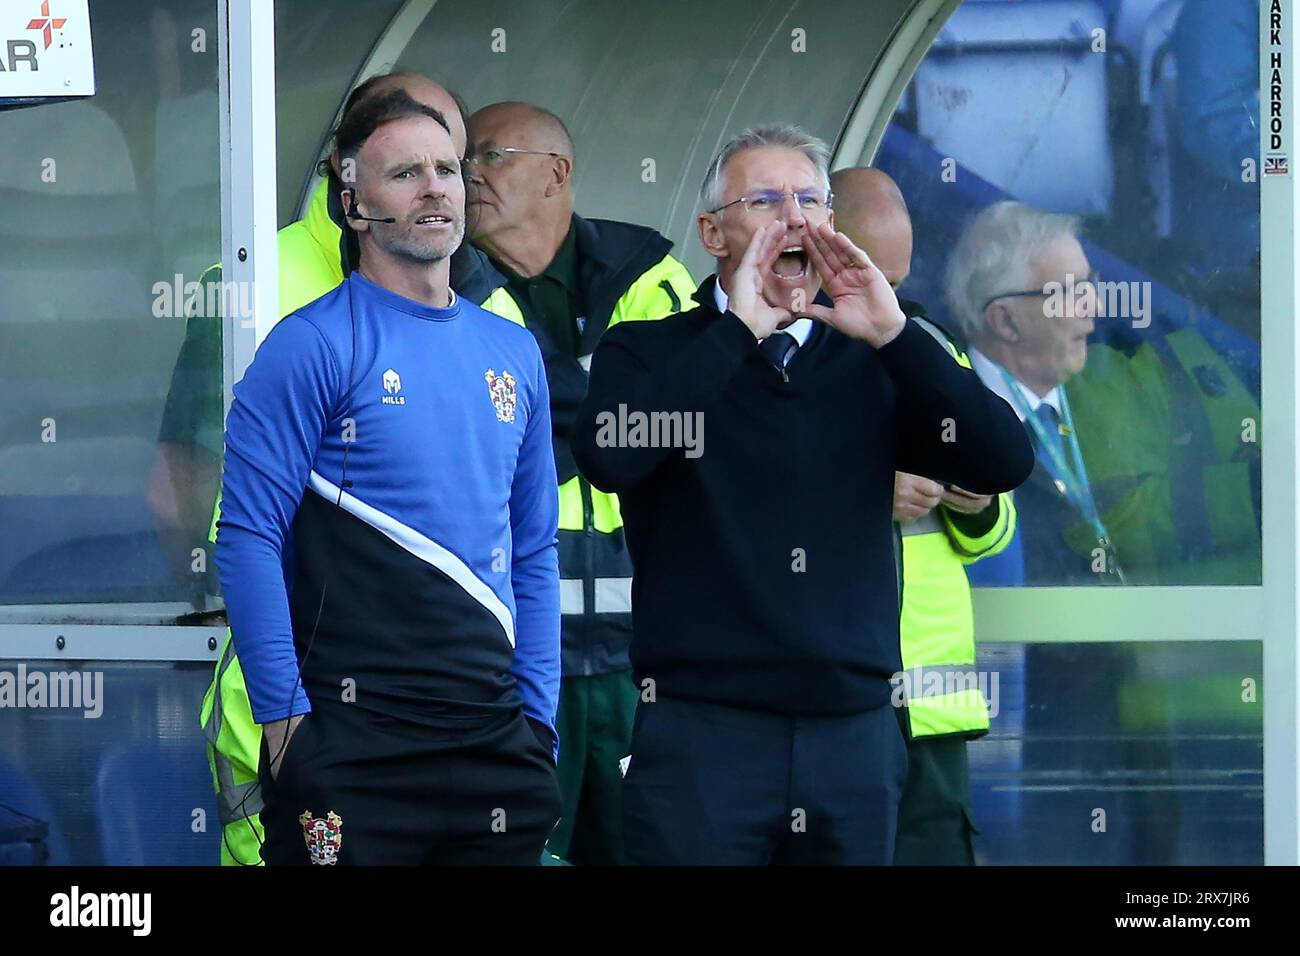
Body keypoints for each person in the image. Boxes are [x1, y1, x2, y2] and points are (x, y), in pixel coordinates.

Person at [572, 125, 1034, 865]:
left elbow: (1003, 458)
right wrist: (742, 333)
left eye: (810, 199)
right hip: (703, 737)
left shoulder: (878, 355)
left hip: (851, 737)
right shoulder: (652, 350)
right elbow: (612, 456)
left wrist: (894, 334)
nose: (793, 217)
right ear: (713, 232)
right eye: (765, 199)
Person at [182, 73, 537, 866]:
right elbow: (245, 536)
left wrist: (538, 718)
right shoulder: (308, 341)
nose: (434, 189)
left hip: (489, 742)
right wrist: (284, 724)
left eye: (446, 169)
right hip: (350, 742)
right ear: (355, 201)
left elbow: (533, 548)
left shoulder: (511, 343)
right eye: (404, 173)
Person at [464, 101, 696, 864]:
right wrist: (597, 402)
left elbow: (679, 425)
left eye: (490, 156)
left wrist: (565, 405)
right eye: (463, 158)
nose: (469, 174)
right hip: (512, 664)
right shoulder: (446, 281)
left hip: (646, 664)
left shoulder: (652, 276)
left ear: (555, 173)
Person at [832, 167, 1017, 865]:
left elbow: (994, 535)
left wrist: (978, 498)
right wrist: (867, 494)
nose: (889, 299)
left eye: (899, 280)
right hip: (832, 701)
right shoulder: (777, 349)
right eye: (873, 274)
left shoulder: (931, 346)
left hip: (930, 709)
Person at [946, 200, 1260, 586]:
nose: (1094, 305)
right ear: (1005, 320)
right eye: (1072, 292)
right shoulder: (947, 423)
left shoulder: (1096, 395)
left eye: (1090, 284)